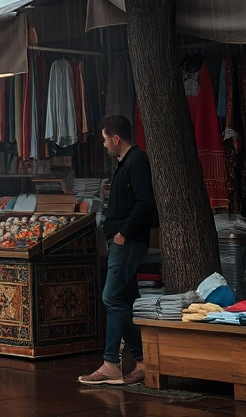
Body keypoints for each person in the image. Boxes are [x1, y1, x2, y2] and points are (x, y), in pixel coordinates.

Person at [80, 115, 157, 386]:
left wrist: (123, 234)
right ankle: (142, 360)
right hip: (121, 240)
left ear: (116, 139)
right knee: (124, 298)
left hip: (128, 242)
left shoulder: (136, 161)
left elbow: (145, 203)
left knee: (110, 297)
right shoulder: (125, 162)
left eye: (104, 139)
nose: (103, 145)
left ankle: (112, 362)